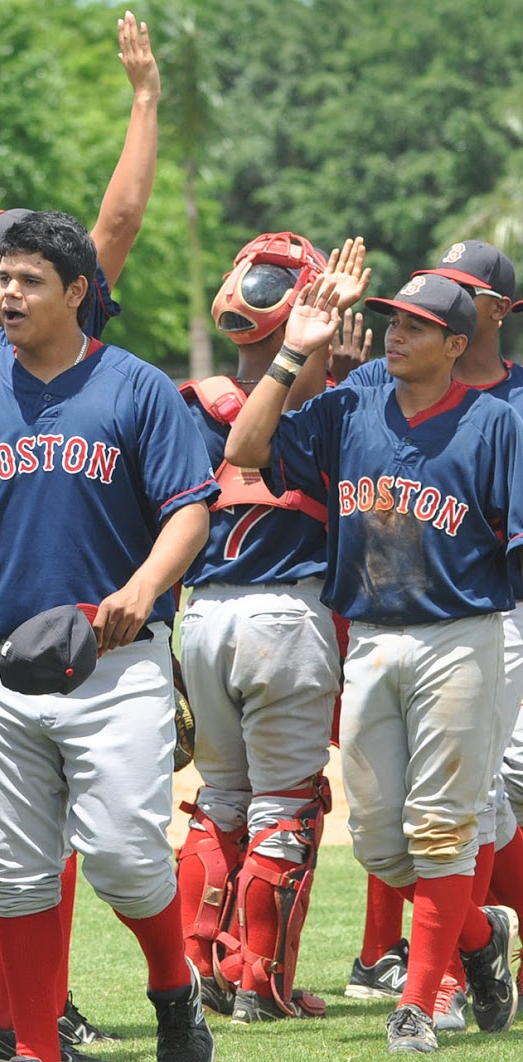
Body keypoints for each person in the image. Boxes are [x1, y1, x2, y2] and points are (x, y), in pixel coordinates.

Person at [0, 211, 219, 1062]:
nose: (7, 293)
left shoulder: (135, 387)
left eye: (28, 280)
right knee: (18, 877)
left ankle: (176, 989)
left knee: (125, 855)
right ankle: (33, 1047)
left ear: (76, 292)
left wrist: (141, 586)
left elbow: (191, 512)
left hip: (115, 660)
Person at [224, 270, 523, 1053]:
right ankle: (478, 940)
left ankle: (417, 1005)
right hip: (369, 638)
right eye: (391, 318)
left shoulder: (494, 423)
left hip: (460, 637)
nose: (395, 332)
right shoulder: (349, 405)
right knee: (381, 842)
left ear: (456, 345)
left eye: (416, 325)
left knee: (439, 830)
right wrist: (294, 354)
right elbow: (245, 450)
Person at [174, 233, 370, 1023]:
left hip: (202, 616)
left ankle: (198, 970)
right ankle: (261, 982)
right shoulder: (335, 412)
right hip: (285, 617)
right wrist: (335, 372)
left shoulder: (185, 401)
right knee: (285, 807)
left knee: (218, 800)